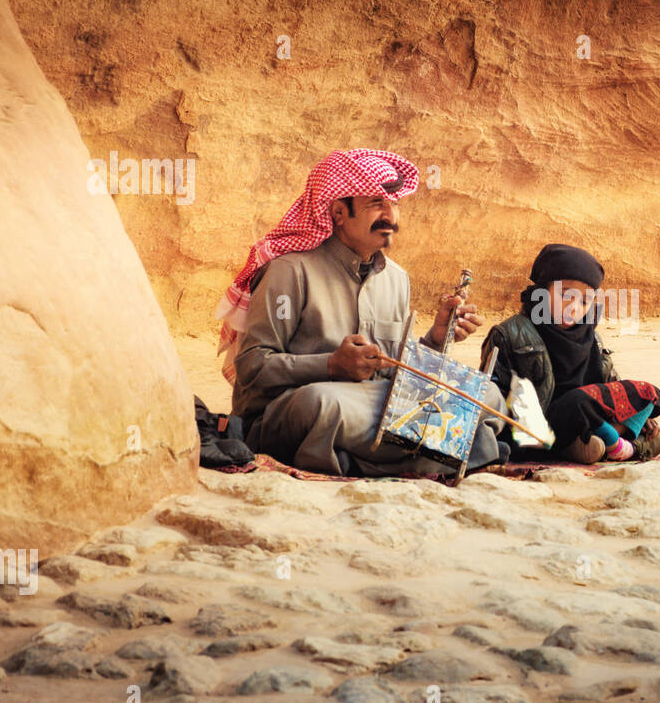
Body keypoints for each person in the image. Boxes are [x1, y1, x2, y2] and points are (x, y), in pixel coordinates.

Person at [215, 148, 507, 476]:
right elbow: (253, 369)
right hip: (297, 408)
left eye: (393, 204)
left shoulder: (396, 279)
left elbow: (398, 371)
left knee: (488, 395)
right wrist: (328, 365)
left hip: (374, 403)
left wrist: (437, 337)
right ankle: (448, 451)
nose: (390, 217)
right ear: (339, 212)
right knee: (325, 405)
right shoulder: (289, 272)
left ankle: (361, 458)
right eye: (376, 204)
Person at [482, 244, 660, 464]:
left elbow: (609, 387)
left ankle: (602, 443)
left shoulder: (592, 339)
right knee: (577, 402)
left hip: (591, 420)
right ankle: (612, 444)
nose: (573, 307)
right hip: (538, 430)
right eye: (565, 294)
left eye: (584, 301)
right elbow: (490, 399)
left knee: (647, 393)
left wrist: (633, 413)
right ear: (541, 291)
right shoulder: (508, 334)